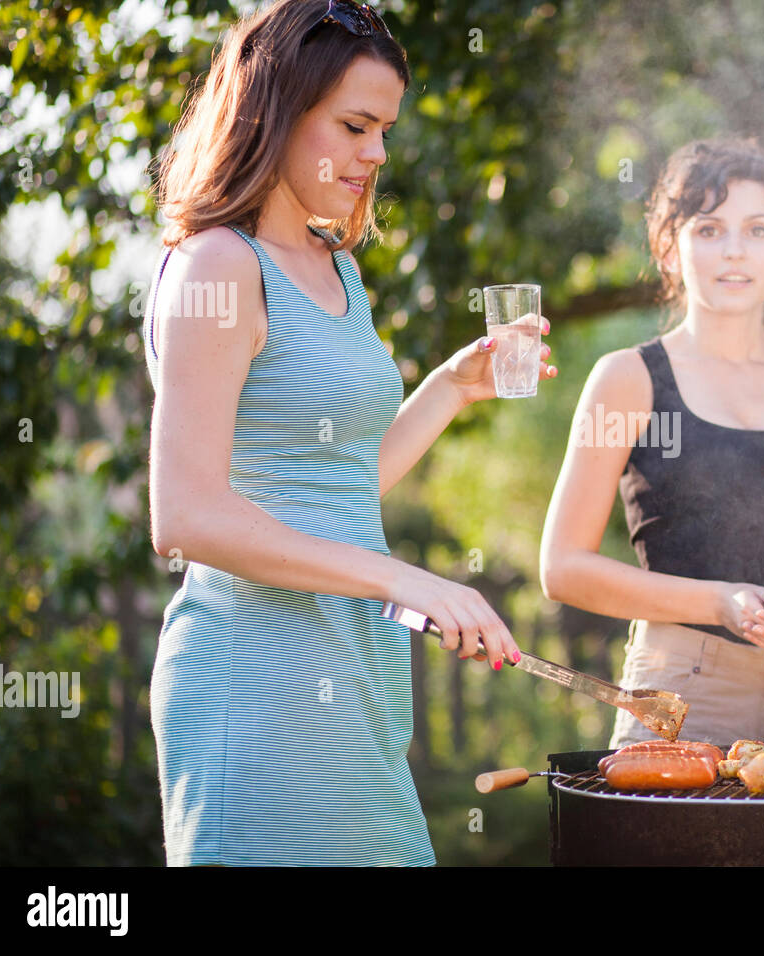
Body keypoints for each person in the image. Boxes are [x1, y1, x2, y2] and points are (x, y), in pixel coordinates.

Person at [142, 0, 555, 866]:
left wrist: (449, 389)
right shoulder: (220, 264)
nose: (376, 154)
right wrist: (403, 578)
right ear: (277, 111)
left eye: (384, 130)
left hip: (350, 671)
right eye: (355, 125)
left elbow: (330, 488)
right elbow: (184, 514)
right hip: (255, 679)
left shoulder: (341, 271)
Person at [540, 138, 764, 749]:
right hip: (680, 693)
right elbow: (562, 569)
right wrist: (719, 601)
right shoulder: (627, 380)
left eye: (756, 230)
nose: (735, 251)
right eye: (710, 229)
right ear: (670, 250)